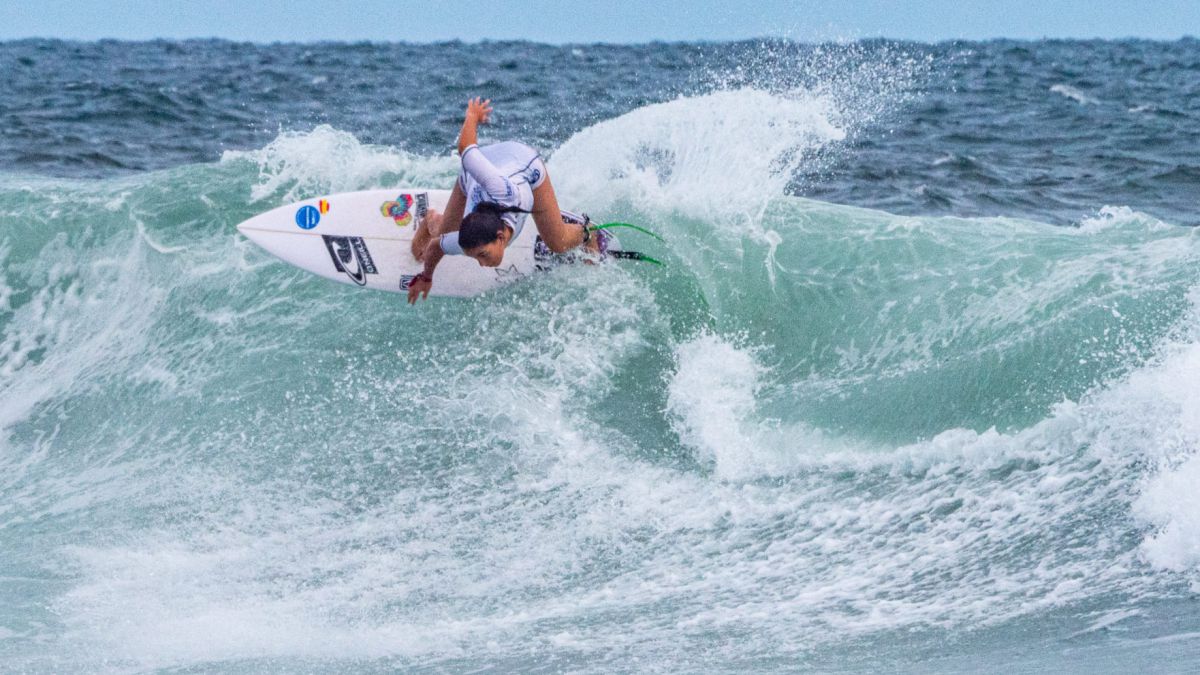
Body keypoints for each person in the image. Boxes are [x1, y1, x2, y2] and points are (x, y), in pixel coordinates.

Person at [407, 97, 600, 304]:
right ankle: (431, 218)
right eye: (475, 257)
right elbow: (437, 246)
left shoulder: (503, 190)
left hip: (524, 164)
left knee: (558, 242)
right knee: (444, 234)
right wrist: (426, 277)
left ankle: (589, 232)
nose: (481, 264)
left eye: (482, 254)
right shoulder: (470, 238)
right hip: (472, 177)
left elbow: (465, 149)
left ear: (500, 237)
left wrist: (473, 114)